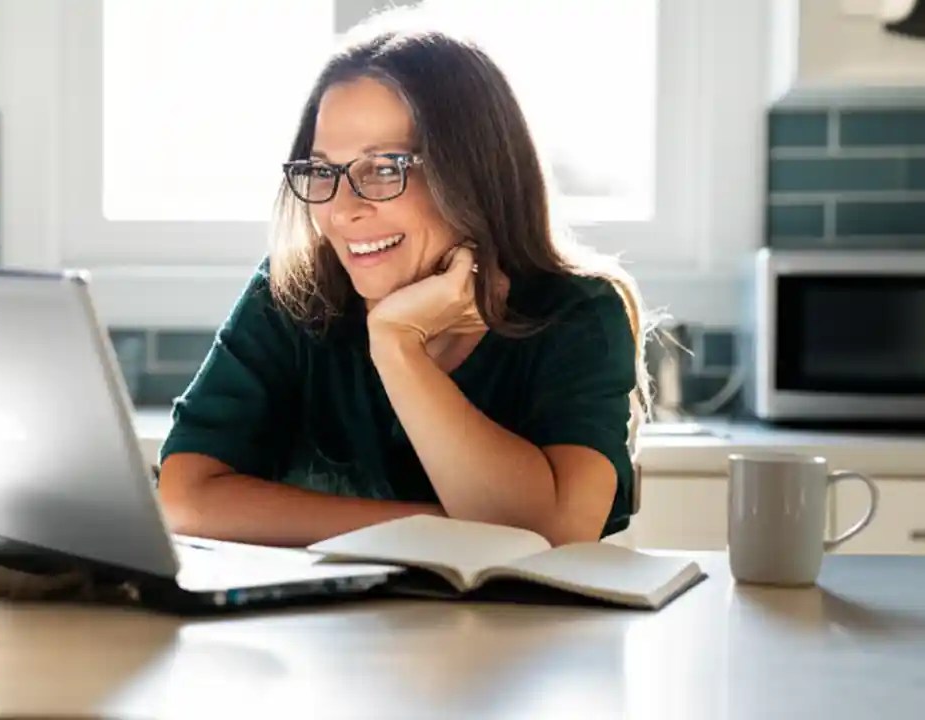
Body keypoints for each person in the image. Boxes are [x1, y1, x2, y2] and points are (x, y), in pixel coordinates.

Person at [157, 11, 653, 548]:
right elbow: (183, 499)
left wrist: (397, 346)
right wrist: (438, 530)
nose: (344, 210)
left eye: (384, 168)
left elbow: (557, 532)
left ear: (470, 174)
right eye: (324, 171)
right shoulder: (291, 293)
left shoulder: (577, 313)